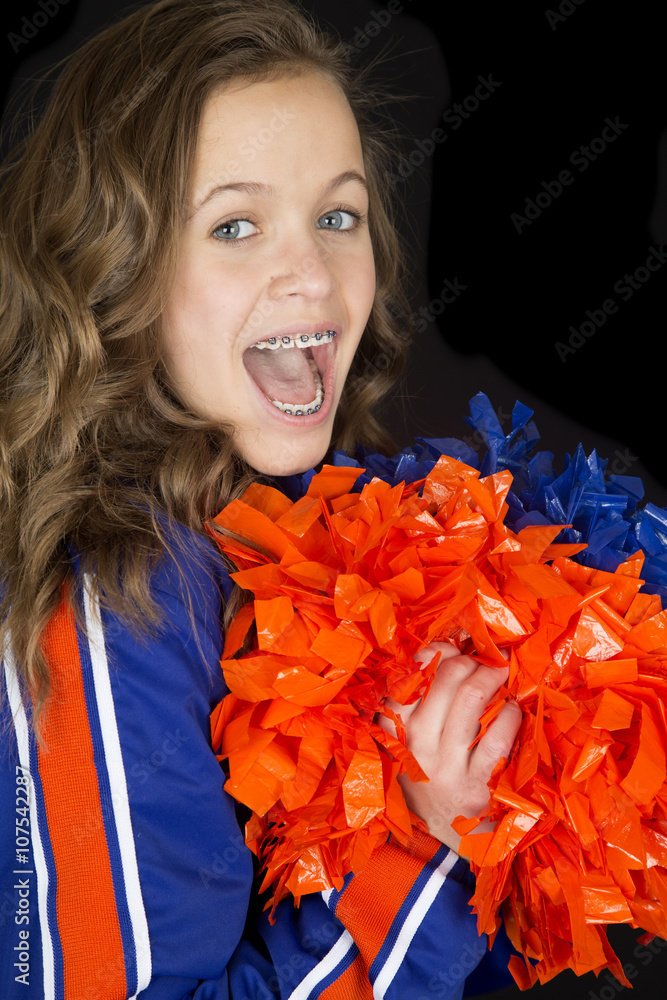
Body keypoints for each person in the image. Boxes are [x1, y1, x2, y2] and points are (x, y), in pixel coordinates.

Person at [0, 0, 522, 996]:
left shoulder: (280, 522)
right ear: (113, 269)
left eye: (337, 216)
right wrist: (424, 842)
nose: (313, 274)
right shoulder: (113, 600)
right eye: (234, 225)